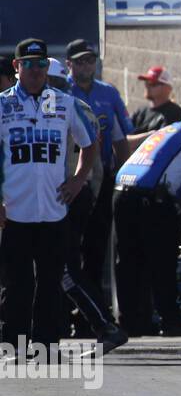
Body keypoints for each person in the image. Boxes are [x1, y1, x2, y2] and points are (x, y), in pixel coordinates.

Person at [0, 40, 95, 354]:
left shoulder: (65, 103)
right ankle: (14, 345)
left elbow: (90, 143)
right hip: (14, 211)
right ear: (17, 67)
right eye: (29, 64)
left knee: (51, 282)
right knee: (17, 284)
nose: (36, 71)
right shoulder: (2, 105)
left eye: (41, 64)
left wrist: (78, 180)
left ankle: (46, 345)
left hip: (54, 210)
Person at [113, 102, 181, 336]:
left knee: (131, 263)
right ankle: (172, 321)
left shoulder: (169, 131)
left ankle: (132, 322)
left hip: (123, 194)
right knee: (163, 261)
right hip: (151, 200)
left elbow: (179, 193)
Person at [48, 61, 127, 350]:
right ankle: (50, 328)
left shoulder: (58, 110)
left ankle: (104, 325)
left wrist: (78, 188)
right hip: (75, 194)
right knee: (52, 268)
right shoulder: (77, 107)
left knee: (65, 269)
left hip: (65, 196)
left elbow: (91, 152)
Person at [64, 39, 131, 311]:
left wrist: (123, 177)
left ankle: (90, 315)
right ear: (69, 64)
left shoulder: (108, 93)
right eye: (79, 61)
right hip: (68, 179)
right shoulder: (61, 91)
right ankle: (68, 311)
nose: (86, 66)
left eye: (90, 60)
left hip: (101, 177)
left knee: (96, 247)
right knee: (68, 249)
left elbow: (121, 139)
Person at [129, 65, 181, 136]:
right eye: (146, 83)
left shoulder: (175, 114)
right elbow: (124, 137)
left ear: (167, 88)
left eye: (153, 84)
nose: (147, 86)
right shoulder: (141, 112)